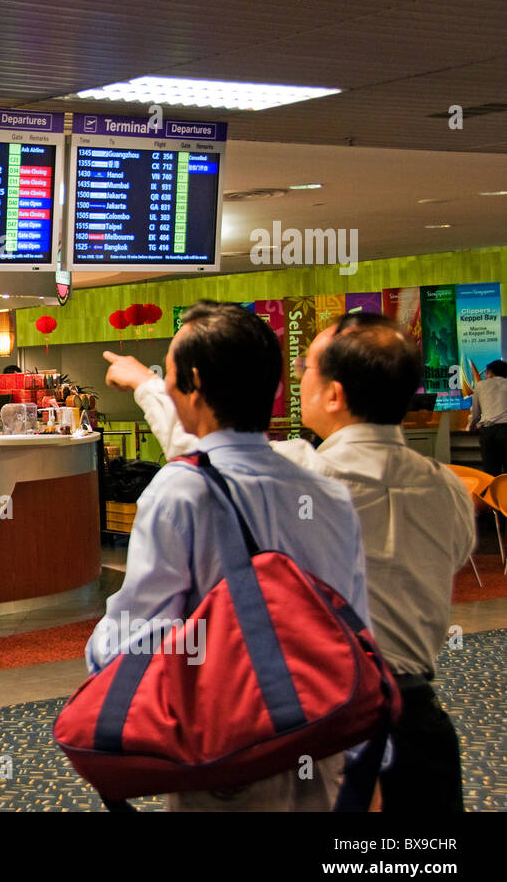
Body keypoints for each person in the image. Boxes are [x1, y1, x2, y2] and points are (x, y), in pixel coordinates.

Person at [105, 310, 477, 812]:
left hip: (328, 719)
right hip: (421, 726)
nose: (299, 379)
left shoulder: (307, 473)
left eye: (306, 369)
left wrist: (149, 385)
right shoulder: (447, 486)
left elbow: (207, 453)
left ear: (335, 395)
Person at [90, 300, 369, 811]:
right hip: (320, 747)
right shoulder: (327, 492)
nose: (165, 387)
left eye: (168, 375)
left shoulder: (180, 490)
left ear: (193, 384)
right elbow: (355, 628)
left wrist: (99, 659)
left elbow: (140, 637)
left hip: (230, 760)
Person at [469, 359, 507, 476]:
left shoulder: (480, 385)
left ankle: (493, 493)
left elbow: (476, 412)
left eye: (486, 373)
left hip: (488, 431)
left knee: (490, 471)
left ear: (490, 372)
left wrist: (472, 426)